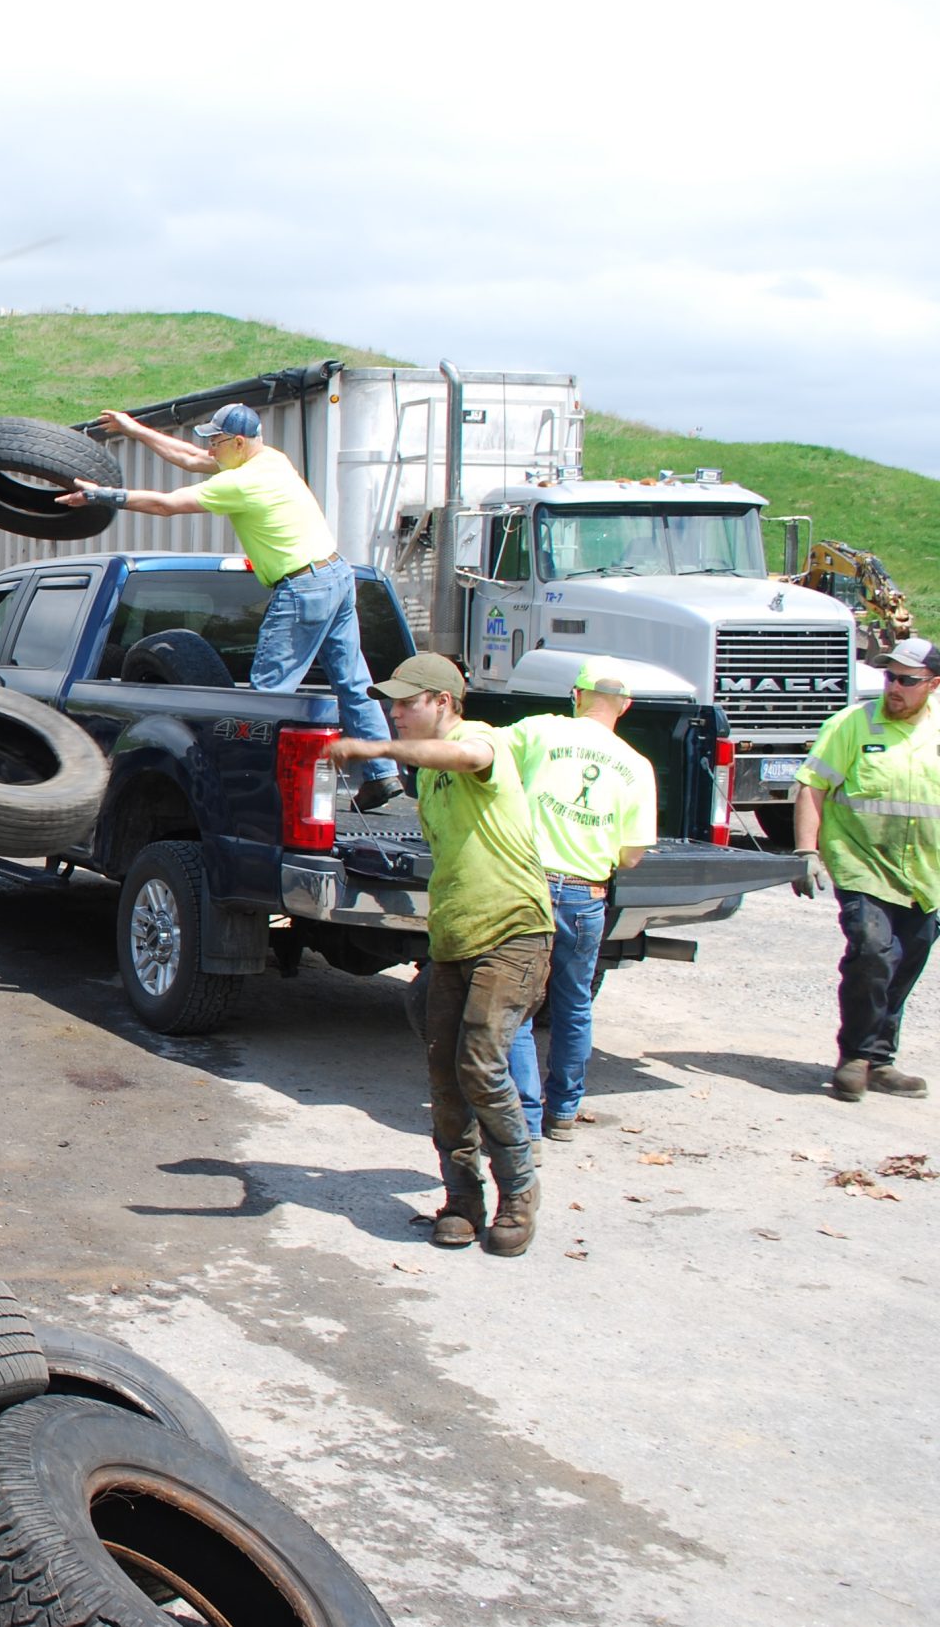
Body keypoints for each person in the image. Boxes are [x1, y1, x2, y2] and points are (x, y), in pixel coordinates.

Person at [59, 402, 403, 810]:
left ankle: (253, 791)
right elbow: (190, 457)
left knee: (266, 697)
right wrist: (133, 428)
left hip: (303, 587)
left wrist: (102, 495)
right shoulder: (271, 460)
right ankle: (383, 774)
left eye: (216, 441)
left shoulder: (243, 484)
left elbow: (166, 505)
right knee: (351, 681)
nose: (210, 449)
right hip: (337, 577)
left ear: (238, 443)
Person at [327, 654, 551, 1255]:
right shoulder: (427, 776)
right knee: (445, 1074)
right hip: (453, 938)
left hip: (514, 932)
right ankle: (461, 1199)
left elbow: (465, 756)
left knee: (480, 1065)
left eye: (407, 702)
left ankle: (519, 1198)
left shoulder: (481, 742)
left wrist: (377, 751)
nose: (394, 713)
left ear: (444, 703)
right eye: (392, 703)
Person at [502, 661, 657, 1141]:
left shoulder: (541, 733)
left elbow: (480, 748)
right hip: (586, 896)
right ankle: (563, 1112)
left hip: (529, 887)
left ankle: (525, 1119)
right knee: (573, 1005)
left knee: (519, 1006)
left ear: (575, 695)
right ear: (626, 707)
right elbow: (632, 856)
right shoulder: (636, 766)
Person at [793, 636, 940, 1102]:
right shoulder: (853, 724)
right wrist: (806, 853)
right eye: (889, 676)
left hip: (926, 874)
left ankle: (879, 1059)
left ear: (933, 684)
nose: (893, 686)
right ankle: (855, 1057)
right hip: (862, 864)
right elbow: (812, 786)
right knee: (874, 953)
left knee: (905, 963)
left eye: (906, 680)